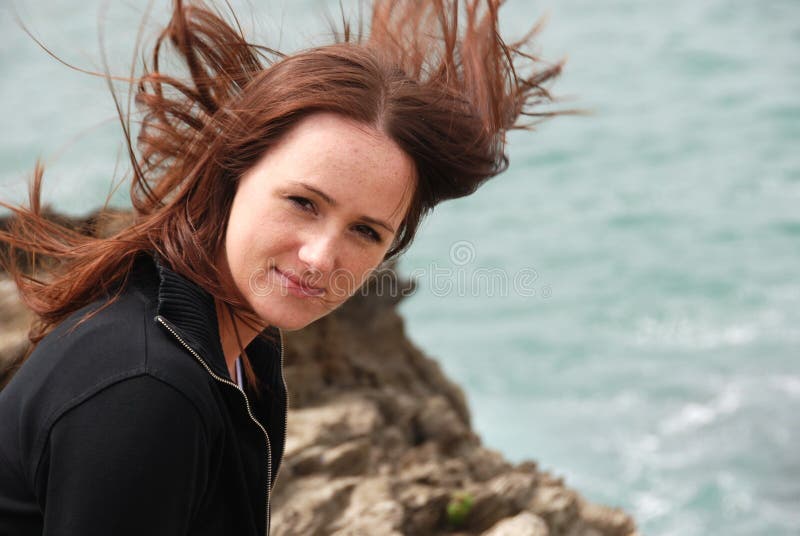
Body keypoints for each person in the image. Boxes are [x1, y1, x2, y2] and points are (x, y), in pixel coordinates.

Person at [0, 0, 563, 534]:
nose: (321, 257)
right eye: (303, 203)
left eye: (366, 231)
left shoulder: (231, 349)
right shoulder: (148, 391)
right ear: (232, 170)